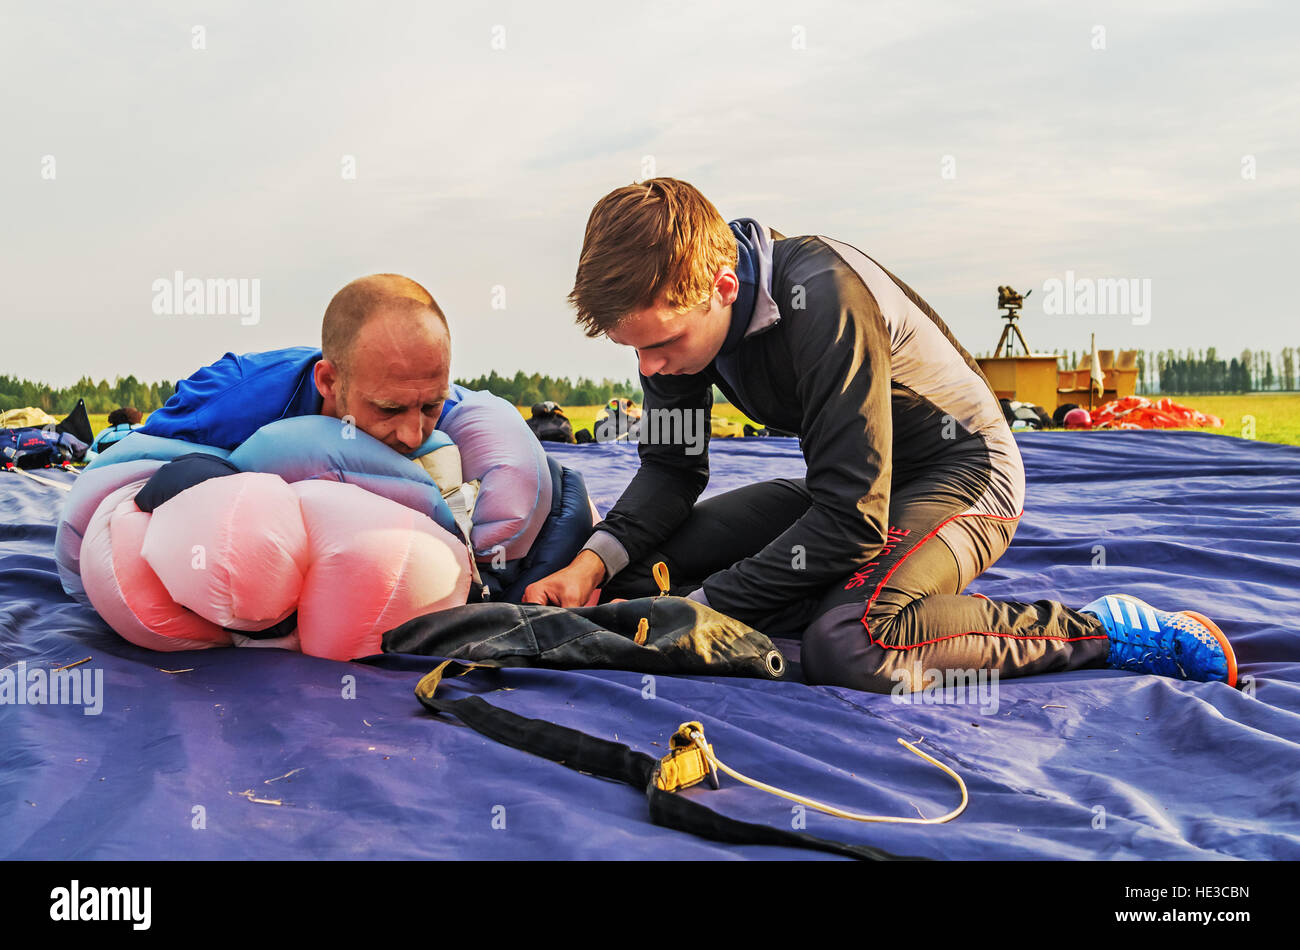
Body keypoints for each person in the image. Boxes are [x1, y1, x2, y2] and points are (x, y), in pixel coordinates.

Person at [522, 178, 1237, 692]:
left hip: (961, 478)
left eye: (661, 345)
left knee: (853, 644)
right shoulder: (678, 313)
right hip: (854, 486)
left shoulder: (822, 296)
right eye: (633, 351)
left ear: (724, 287)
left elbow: (851, 518)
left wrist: (702, 610)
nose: (650, 368)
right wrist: (589, 564)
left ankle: (1107, 630)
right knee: (633, 581)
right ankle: (824, 591)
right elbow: (673, 469)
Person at [137, 273, 592, 601]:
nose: (414, 434)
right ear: (328, 382)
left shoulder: (438, 402)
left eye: (429, 406)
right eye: (390, 410)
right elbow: (131, 466)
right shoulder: (231, 399)